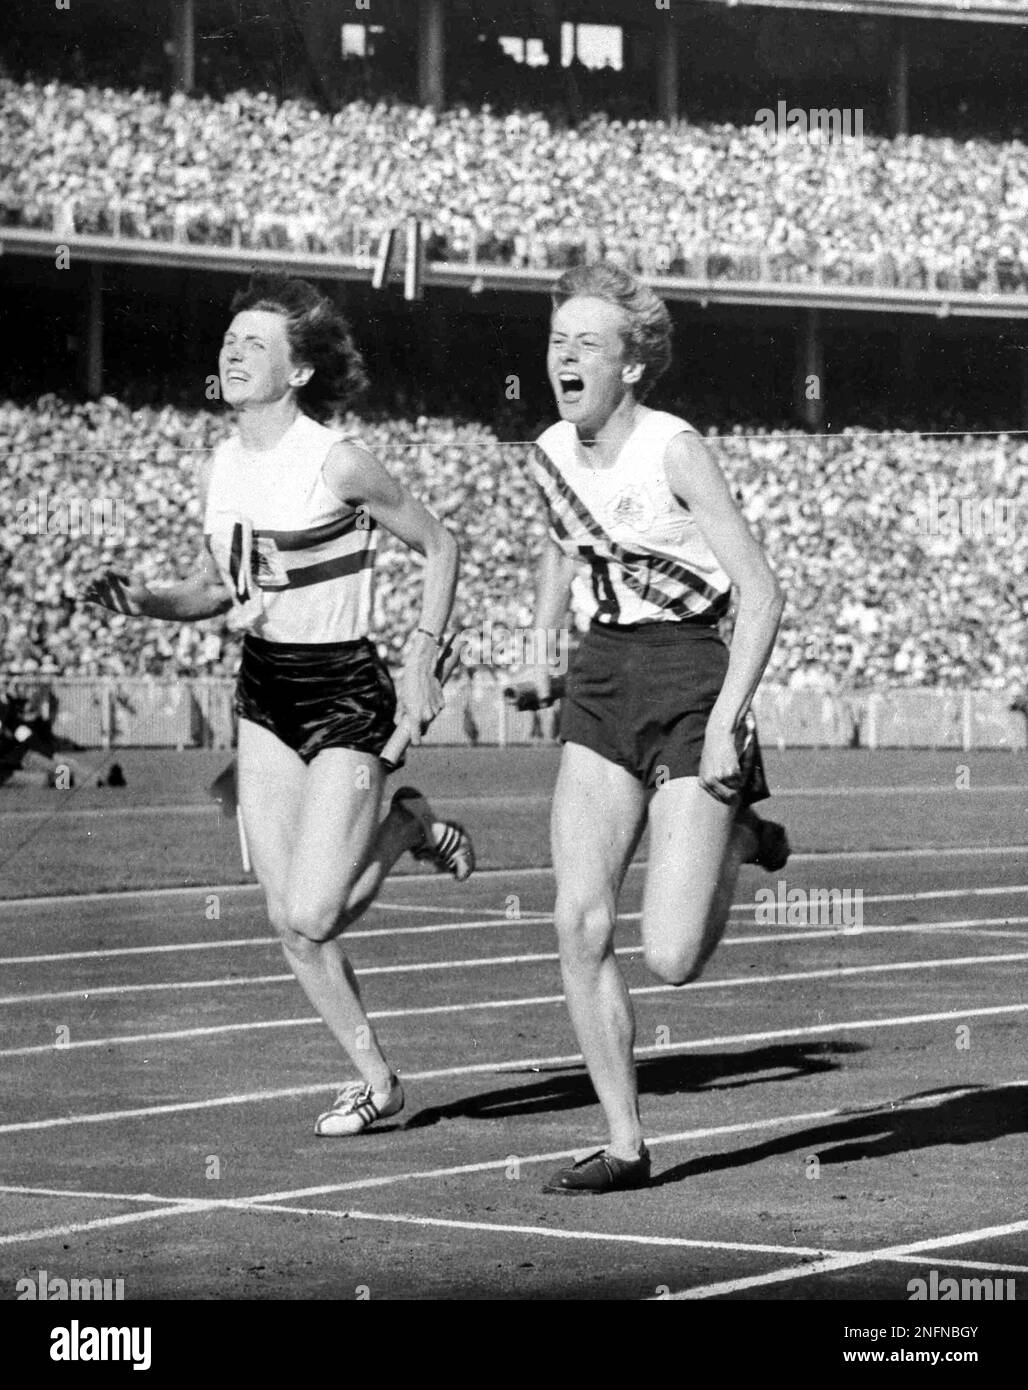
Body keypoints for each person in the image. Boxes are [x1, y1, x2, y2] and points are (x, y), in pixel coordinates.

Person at [85, 275, 473, 1137]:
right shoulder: (219, 466)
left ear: (297, 373)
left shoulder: (337, 460)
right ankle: (379, 1082)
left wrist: (422, 657)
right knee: (285, 919)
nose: (232, 352)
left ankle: (404, 824)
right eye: (229, 340)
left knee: (314, 911)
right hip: (264, 690)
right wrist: (143, 599)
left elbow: (440, 543)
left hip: (343, 691)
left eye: (255, 344)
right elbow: (222, 591)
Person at [521, 263, 788, 1194]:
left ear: (631, 366)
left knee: (671, 957)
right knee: (577, 920)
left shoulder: (675, 450)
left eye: (587, 344)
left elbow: (759, 592)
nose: (566, 356)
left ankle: (738, 832)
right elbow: (564, 542)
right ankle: (627, 1144)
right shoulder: (550, 451)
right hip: (601, 681)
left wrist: (726, 724)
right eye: (559, 341)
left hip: (688, 676)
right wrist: (542, 645)